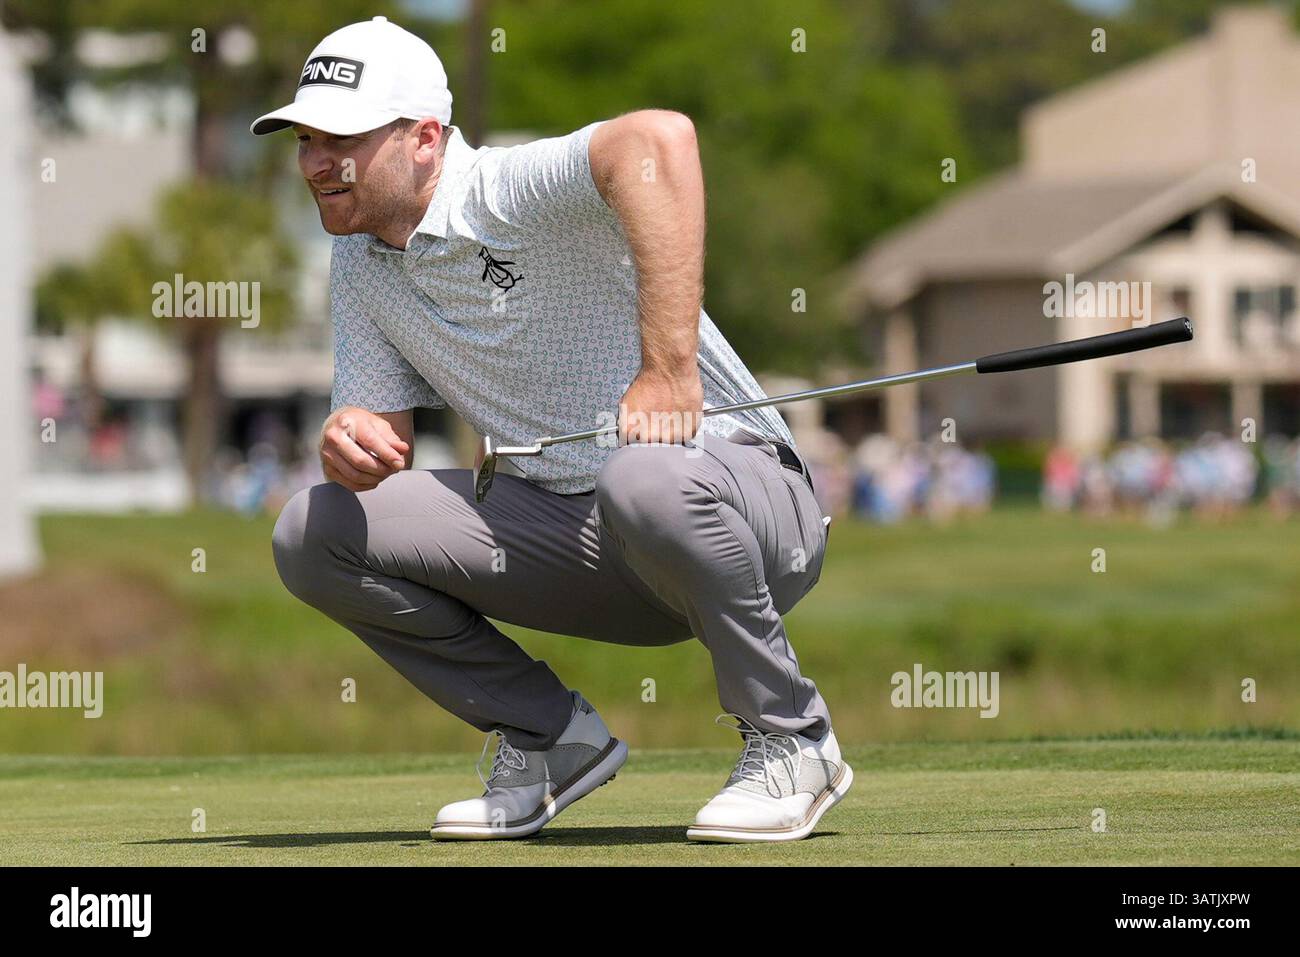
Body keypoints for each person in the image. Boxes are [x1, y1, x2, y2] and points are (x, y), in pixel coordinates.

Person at [257, 17, 849, 843]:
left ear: (425, 137)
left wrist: (670, 367)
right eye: (307, 140)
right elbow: (381, 441)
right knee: (311, 530)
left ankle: (795, 740)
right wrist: (349, 441)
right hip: (586, 542)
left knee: (641, 474)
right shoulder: (359, 259)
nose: (316, 162)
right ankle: (549, 738)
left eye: (341, 139)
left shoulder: (502, 186)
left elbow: (661, 139)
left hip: (748, 507)